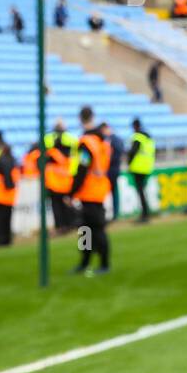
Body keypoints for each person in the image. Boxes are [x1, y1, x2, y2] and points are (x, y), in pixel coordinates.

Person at [69, 107, 112, 275]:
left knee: (90, 230)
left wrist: (71, 192)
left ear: (80, 119)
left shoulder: (86, 143)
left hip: (89, 191)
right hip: (99, 189)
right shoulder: (102, 141)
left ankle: (99, 263)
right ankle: (90, 262)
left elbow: (82, 168)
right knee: (90, 229)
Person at [44, 119, 78, 233]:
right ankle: (69, 224)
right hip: (65, 177)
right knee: (65, 202)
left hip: (54, 179)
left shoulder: (47, 139)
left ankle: (61, 226)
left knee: (56, 205)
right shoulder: (71, 139)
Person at [127, 119, 155, 222]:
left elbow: (132, 152)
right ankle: (146, 212)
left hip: (138, 168)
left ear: (134, 126)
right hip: (147, 167)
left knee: (140, 191)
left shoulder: (137, 137)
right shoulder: (148, 138)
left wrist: (129, 163)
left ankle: (144, 214)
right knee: (143, 190)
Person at [99, 122, 123, 220]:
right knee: (111, 192)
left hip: (112, 170)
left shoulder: (113, 140)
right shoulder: (113, 139)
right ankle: (113, 214)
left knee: (112, 192)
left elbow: (115, 155)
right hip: (112, 170)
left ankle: (115, 214)